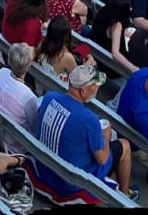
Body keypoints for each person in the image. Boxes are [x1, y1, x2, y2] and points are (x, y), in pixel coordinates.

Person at [36, 64, 133, 197]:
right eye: (95, 85)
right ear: (82, 91)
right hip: (69, 182)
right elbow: (102, 159)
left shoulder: (49, 97)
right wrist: (105, 135)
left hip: (43, 168)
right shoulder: (89, 120)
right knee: (124, 145)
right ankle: (125, 195)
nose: (97, 88)